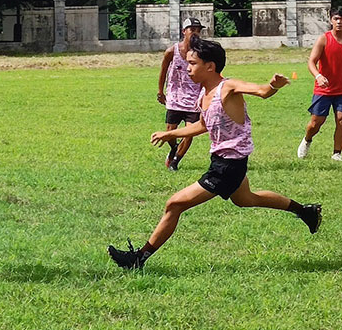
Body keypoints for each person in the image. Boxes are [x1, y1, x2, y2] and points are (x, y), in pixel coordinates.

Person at [108, 37, 322, 270]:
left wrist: (273, 85)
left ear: (210, 66)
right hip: (224, 161)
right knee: (247, 199)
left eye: (193, 63)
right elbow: (202, 125)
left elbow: (261, 91)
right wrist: (170, 134)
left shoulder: (227, 87)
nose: (187, 68)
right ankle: (305, 211)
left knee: (174, 204)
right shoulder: (203, 94)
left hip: (228, 166)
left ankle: (138, 258)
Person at [297, 6, 342, 162]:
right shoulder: (324, 39)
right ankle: (307, 140)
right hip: (323, 90)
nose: (339, 22)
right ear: (331, 20)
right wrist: (318, 76)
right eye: (336, 18)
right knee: (316, 122)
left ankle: (337, 153)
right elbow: (311, 62)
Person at [157, 17, 204, 171]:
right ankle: (173, 148)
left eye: (198, 30)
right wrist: (160, 91)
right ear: (184, 31)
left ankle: (175, 162)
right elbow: (163, 71)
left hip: (194, 98)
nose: (196, 33)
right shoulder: (172, 51)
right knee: (170, 131)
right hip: (174, 97)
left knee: (189, 132)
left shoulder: (201, 53)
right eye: (192, 29)